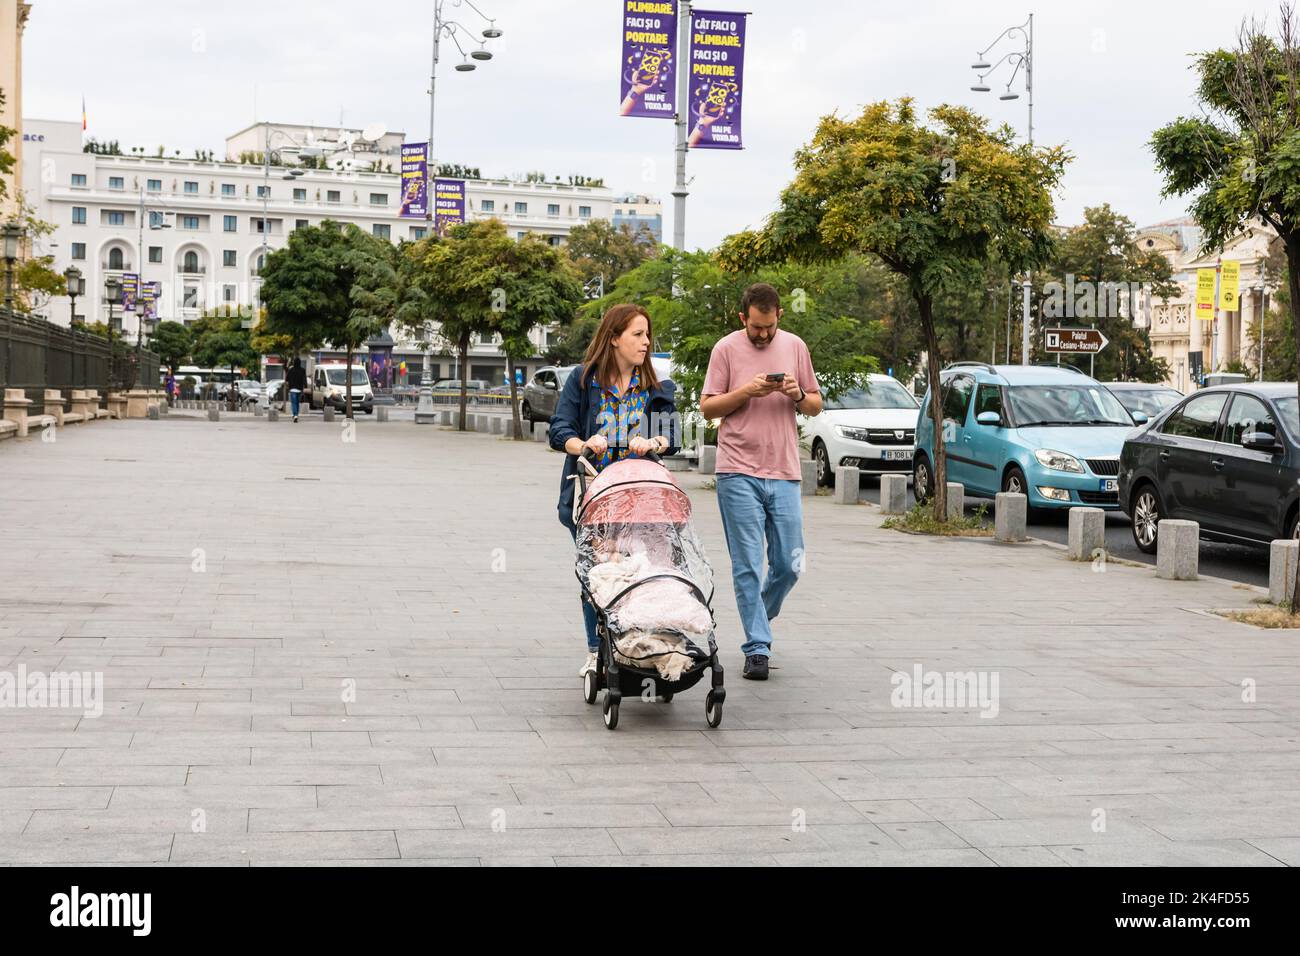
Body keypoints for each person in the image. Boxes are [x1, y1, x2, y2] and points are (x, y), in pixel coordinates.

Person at [700, 282, 823, 681]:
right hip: (737, 470)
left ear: (779, 317)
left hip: (784, 470)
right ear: (743, 319)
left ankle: (758, 617)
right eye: (756, 328)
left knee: (790, 562)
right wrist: (746, 392)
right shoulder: (725, 349)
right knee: (748, 564)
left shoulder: (796, 346)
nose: (764, 334)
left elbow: (815, 404)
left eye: (769, 327)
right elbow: (707, 408)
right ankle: (757, 647)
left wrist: (797, 392)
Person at [549, 303, 679, 678]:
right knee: (598, 574)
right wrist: (583, 443)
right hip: (594, 496)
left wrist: (653, 441)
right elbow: (560, 430)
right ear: (614, 338)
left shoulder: (656, 386)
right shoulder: (583, 379)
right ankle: (597, 650)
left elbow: (672, 436)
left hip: (643, 499)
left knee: (646, 572)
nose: (646, 342)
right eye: (638, 335)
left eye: (647, 334)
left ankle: (645, 648)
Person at [285, 357, 307, 422]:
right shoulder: (302, 370)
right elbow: (304, 379)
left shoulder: (291, 370)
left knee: (293, 403)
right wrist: (305, 387)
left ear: (294, 363)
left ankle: (295, 415)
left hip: (292, 389)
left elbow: (287, 379)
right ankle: (296, 414)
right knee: (297, 403)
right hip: (299, 389)